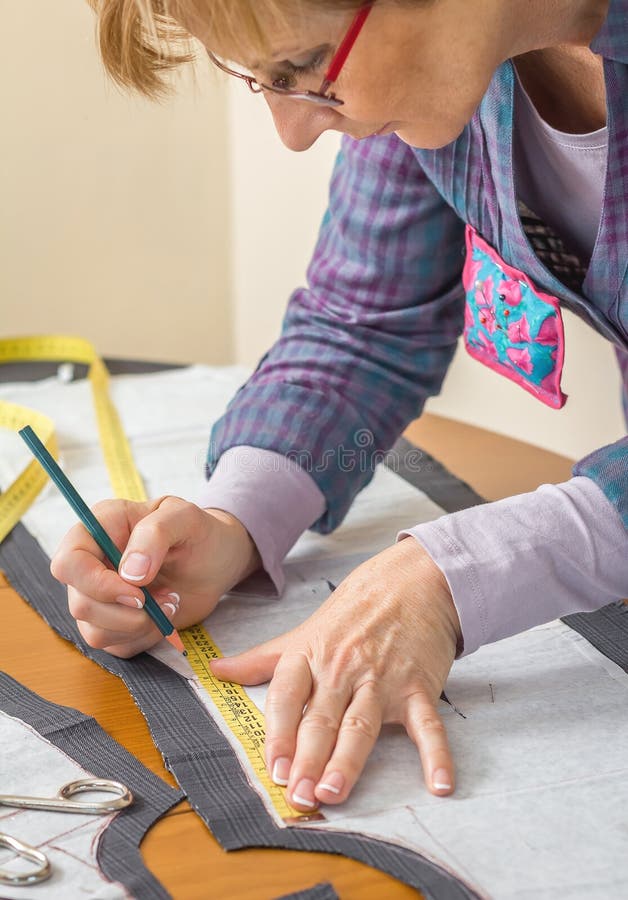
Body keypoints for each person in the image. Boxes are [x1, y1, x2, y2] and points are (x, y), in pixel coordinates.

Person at [52, 0, 627, 813]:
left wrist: (453, 575)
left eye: (309, 66)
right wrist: (236, 520)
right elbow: (366, 327)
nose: (294, 133)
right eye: (262, 83)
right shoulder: (460, 62)